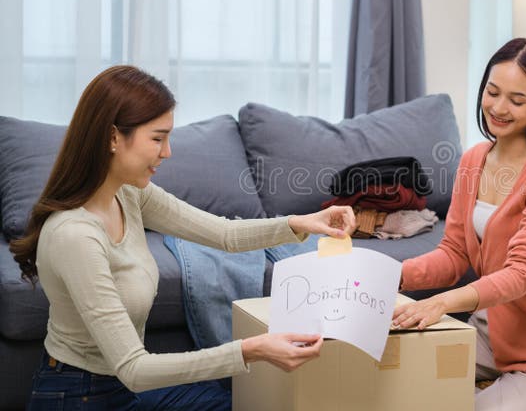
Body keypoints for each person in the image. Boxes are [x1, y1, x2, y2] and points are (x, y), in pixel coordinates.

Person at [10, 65, 356, 410]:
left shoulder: (129, 195)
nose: (167, 152)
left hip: (124, 386)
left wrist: (302, 222)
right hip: (80, 396)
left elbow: (224, 233)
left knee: (236, 403)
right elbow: (135, 368)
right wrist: (252, 349)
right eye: (157, 138)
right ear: (113, 138)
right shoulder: (75, 235)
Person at [392, 38, 526, 410]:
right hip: (488, 335)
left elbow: (522, 272)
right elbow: (454, 253)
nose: (498, 108)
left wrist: (442, 302)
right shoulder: (473, 160)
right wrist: (393, 275)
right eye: (493, 92)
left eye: (517, 100)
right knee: (396, 384)